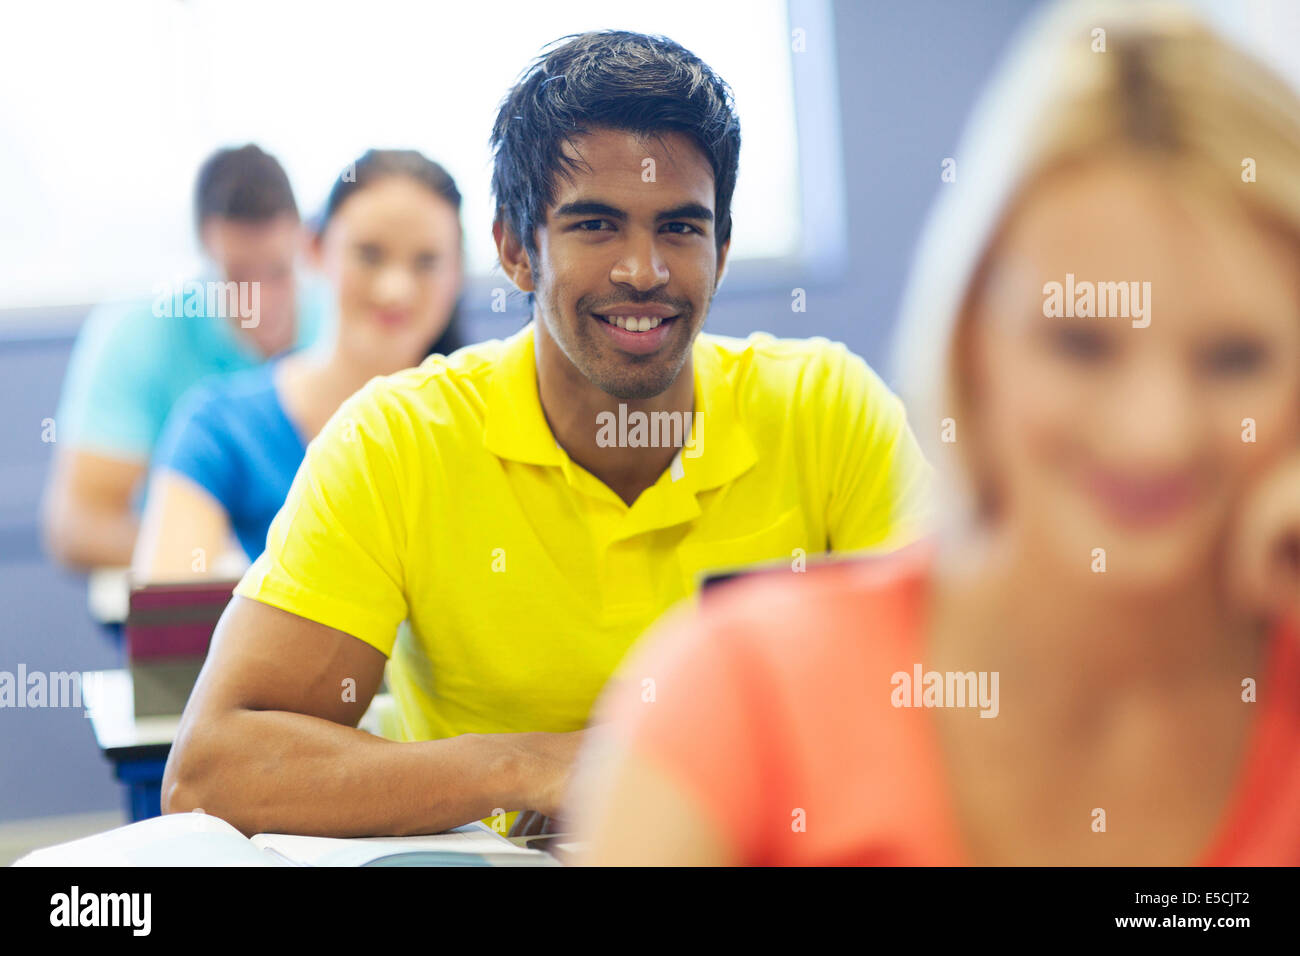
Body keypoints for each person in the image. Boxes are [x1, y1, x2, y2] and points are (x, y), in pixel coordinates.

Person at [572, 0, 1300, 866]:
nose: (1154, 434)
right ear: (970, 345)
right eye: (1080, 343)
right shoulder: (735, 699)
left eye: (1234, 359)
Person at [160, 30, 932, 839]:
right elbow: (211, 769)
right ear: (513, 250)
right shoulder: (398, 439)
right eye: (596, 226)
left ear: (723, 249)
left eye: (680, 228)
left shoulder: (827, 408)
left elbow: (957, 702)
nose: (644, 270)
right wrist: (525, 766)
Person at [131, 150, 466, 581]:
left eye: (427, 262)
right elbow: (168, 622)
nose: (395, 289)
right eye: (369, 254)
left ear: (458, 272)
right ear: (314, 248)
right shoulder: (219, 428)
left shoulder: (486, 422)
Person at [42, 144, 327, 571]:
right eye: (238, 277)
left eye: (278, 272)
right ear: (205, 255)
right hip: (195, 591)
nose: (259, 302)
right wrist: (210, 557)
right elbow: (77, 526)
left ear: (305, 247)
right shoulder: (143, 336)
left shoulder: (342, 325)